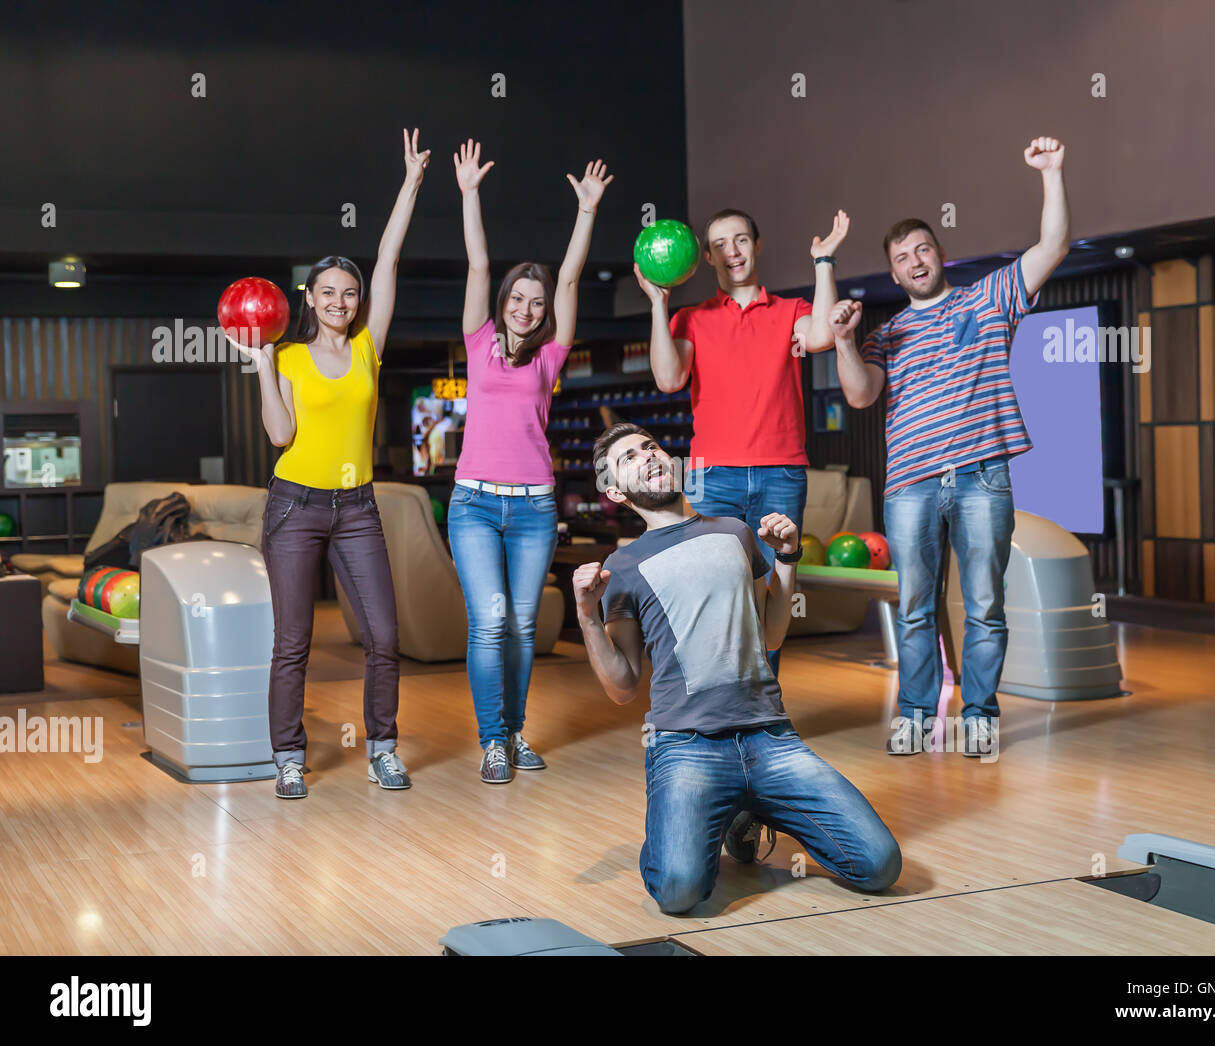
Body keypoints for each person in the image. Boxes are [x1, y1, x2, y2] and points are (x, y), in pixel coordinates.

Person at [573, 422, 902, 914]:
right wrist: (586, 615)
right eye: (629, 457)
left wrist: (786, 558)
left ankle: (749, 805)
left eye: (650, 446)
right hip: (687, 747)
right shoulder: (622, 566)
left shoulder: (734, 531)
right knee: (680, 892)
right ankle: (707, 817)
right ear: (617, 490)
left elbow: (771, 633)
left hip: (770, 738)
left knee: (879, 865)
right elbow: (622, 688)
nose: (647, 455)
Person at [833, 137, 1071, 758]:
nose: (914, 261)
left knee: (986, 605)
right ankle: (915, 713)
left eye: (922, 249)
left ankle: (980, 714)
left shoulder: (988, 300)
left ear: (941, 254)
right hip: (910, 483)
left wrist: (1051, 173)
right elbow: (860, 396)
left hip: (980, 476)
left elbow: (1052, 247)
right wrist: (842, 342)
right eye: (901, 257)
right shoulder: (886, 334)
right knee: (915, 606)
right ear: (893, 272)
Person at [239, 129, 431, 798]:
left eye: (348, 293)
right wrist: (263, 366)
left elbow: (389, 257)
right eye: (328, 291)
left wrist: (409, 182)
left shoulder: (369, 346)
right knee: (293, 642)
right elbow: (279, 432)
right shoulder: (286, 356)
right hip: (293, 504)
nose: (340, 301)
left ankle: (382, 746)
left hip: (357, 508)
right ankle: (287, 755)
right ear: (310, 297)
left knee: (383, 634)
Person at [450, 138, 612, 784]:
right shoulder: (479, 341)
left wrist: (588, 212)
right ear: (503, 306)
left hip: (534, 506)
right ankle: (493, 740)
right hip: (474, 504)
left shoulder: (550, 357)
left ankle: (514, 735)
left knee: (521, 623)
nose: (526, 307)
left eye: (535, 303)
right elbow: (478, 262)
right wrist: (468, 195)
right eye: (518, 299)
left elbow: (569, 276)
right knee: (490, 619)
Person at [635, 207, 849, 675]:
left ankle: (764, 707)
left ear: (757, 244)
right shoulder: (691, 319)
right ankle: (721, 704)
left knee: (774, 591)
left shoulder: (791, 310)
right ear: (707, 257)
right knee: (714, 594)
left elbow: (823, 337)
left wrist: (824, 263)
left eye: (741, 240)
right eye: (720, 245)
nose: (732, 252)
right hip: (712, 476)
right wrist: (657, 303)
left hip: (781, 473)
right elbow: (669, 378)